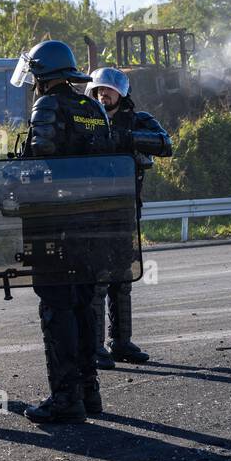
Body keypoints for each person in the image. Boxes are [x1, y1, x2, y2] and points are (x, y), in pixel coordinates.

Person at [11, 40, 115, 423]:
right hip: (95, 225)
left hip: (56, 227)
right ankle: (89, 393)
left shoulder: (47, 105)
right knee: (85, 307)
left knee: (57, 310)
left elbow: (42, 164)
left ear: (42, 74)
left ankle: (64, 397)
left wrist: (13, 179)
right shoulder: (92, 107)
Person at [82, 67, 172, 369]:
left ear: (121, 92)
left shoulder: (136, 119)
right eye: (98, 89)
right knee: (97, 280)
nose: (103, 94)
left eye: (108, 89)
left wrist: (125, 137)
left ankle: (121, 342)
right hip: (93, 211)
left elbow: (164, 143)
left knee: (123, 277)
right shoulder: (84, 119)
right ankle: (94, 347)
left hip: (125, 210)